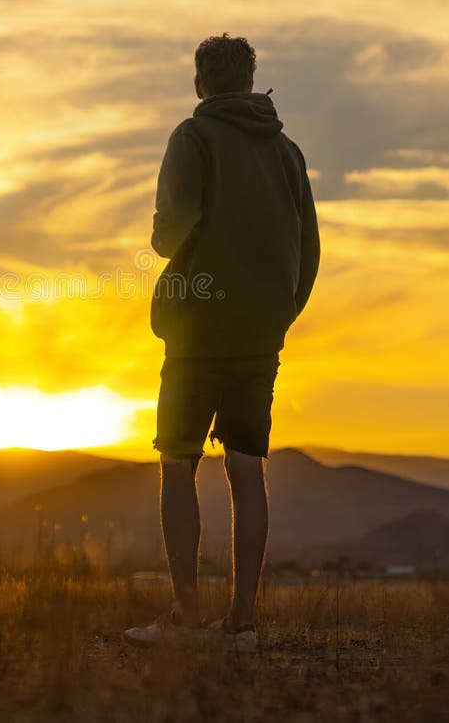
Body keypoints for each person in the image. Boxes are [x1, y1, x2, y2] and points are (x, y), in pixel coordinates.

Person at [124, 33, 320, 652]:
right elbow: (309, 249)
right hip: (260, 334)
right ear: (250, 79)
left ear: (200, 84)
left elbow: (168, 233)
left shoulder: (194, 137)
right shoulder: (287, 151)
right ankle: (242, 626)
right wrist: (278, 315)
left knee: (177, 463)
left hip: (196, 328)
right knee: (245, 468)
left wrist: (165, 237)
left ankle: (185, 619)